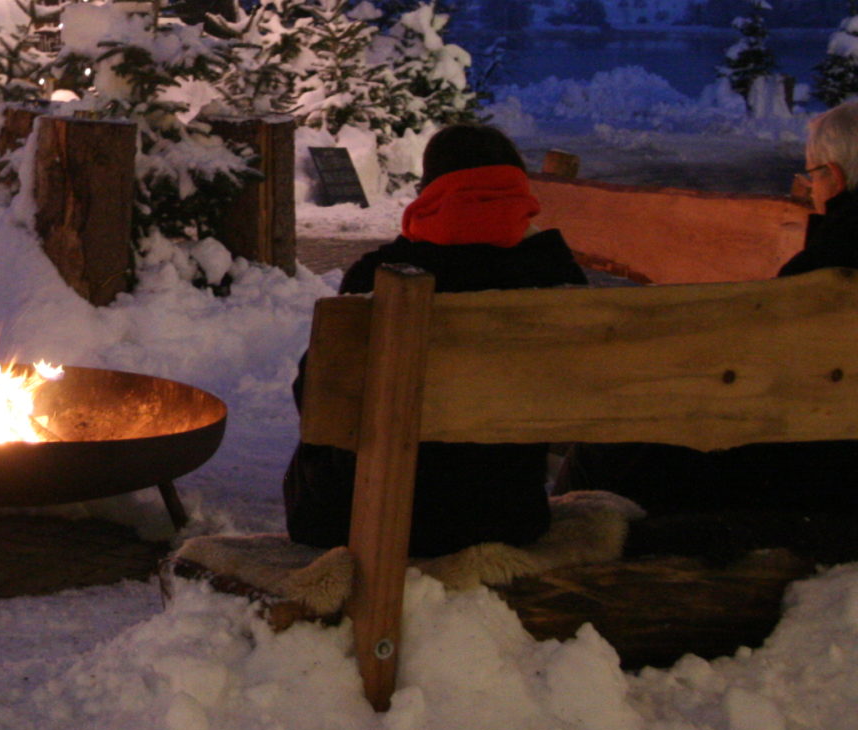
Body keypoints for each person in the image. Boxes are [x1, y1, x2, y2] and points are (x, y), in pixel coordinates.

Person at [283, 123, 587, 556]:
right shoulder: (556, 272)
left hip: (358, 517)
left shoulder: (382, 272)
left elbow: (317, 401)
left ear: (432, 189)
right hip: (505, 516)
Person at [557, 98, 858, 515]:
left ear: (836, 178)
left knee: (602, 453)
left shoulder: (826, 271)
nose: (812, 191)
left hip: (811, 487)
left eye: (813, 177)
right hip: (825, 469)